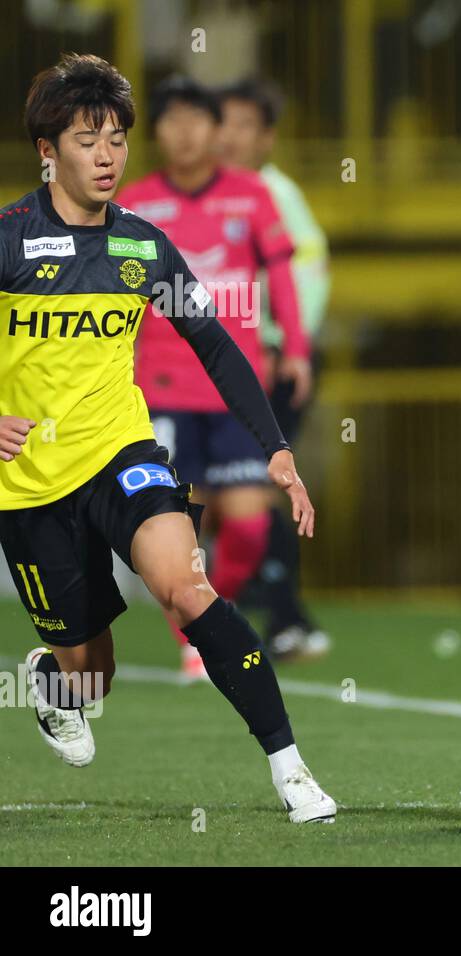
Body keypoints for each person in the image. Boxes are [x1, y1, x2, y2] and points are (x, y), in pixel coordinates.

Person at [0, 53, 334, 821]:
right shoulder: (11, 242)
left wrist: (276, 446)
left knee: (188, 589)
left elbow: (215, 342)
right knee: (91, 675)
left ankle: (291, 769)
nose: (108, 155)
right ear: (47, 151)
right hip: (27, 484)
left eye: (117, 137)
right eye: (88, 140)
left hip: (122, 452)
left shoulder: (144, 248)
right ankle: (56, 683)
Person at [116, 76, 313, 679]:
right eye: (171, 121)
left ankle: (211, 613)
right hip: (162, 394)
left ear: (215, 129)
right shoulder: (137, 204)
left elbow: (282, 276)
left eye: (197, 120)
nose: (185, 133)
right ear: (157, 132)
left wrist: (296, 348)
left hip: (234, 389)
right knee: (178, 529)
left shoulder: (252, 196)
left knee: (251, 525)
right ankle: (195, 639)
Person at [218, 77, 331, 662]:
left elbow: (307, 276)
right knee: (234, 489)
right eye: (222, 123)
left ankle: (288, 618)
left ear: (267, 137)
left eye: (244, 125)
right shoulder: (221, 195)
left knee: (258, 487)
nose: (229, 136)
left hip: (273, 363)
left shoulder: (272, 194)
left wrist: (289, 346)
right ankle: (275, 611)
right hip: (230, 365)